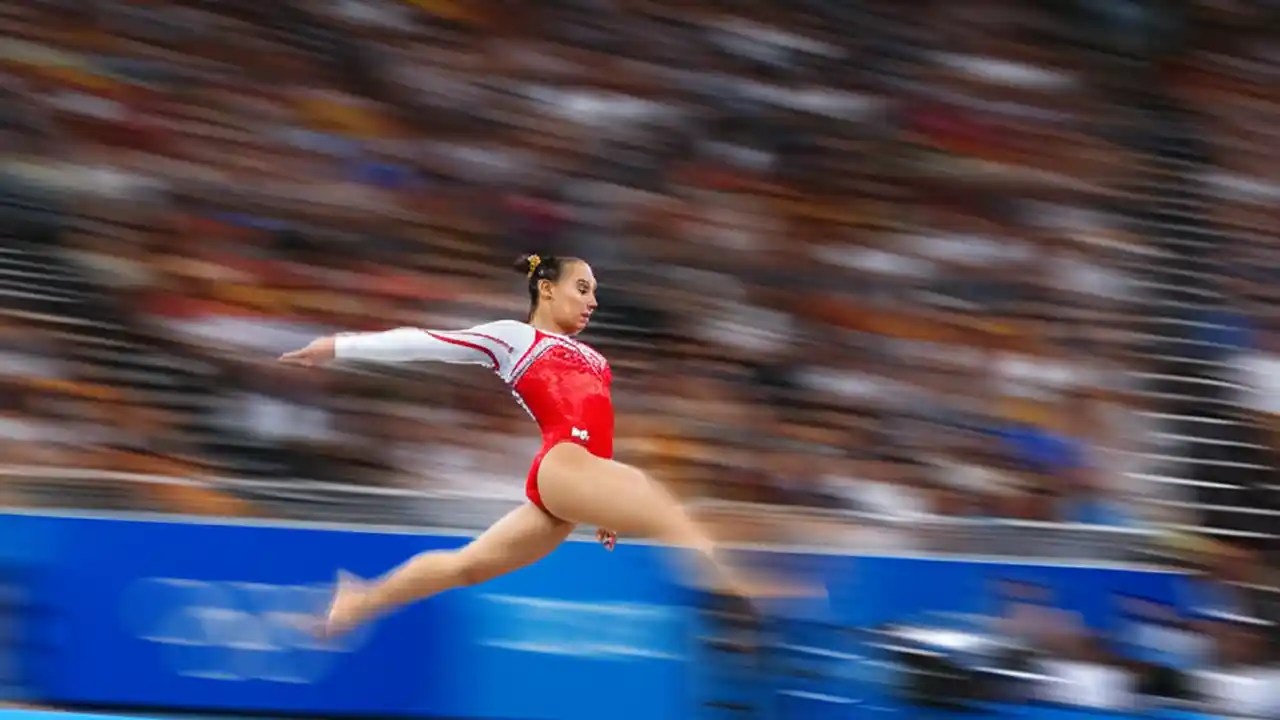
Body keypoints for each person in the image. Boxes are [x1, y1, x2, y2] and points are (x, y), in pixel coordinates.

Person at [280, 253, 794, 637]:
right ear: (546, 289)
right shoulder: (514, 338)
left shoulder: (596, 359)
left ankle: (361, 600)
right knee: (655, 494)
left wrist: (605, 507)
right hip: (561, 465)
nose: (593, 301)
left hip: (573, 483)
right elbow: (426, 342)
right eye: (583, 288)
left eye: (595, 293)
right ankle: (733, 583)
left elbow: (601, 426)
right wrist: (340, 346)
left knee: (469, 566)